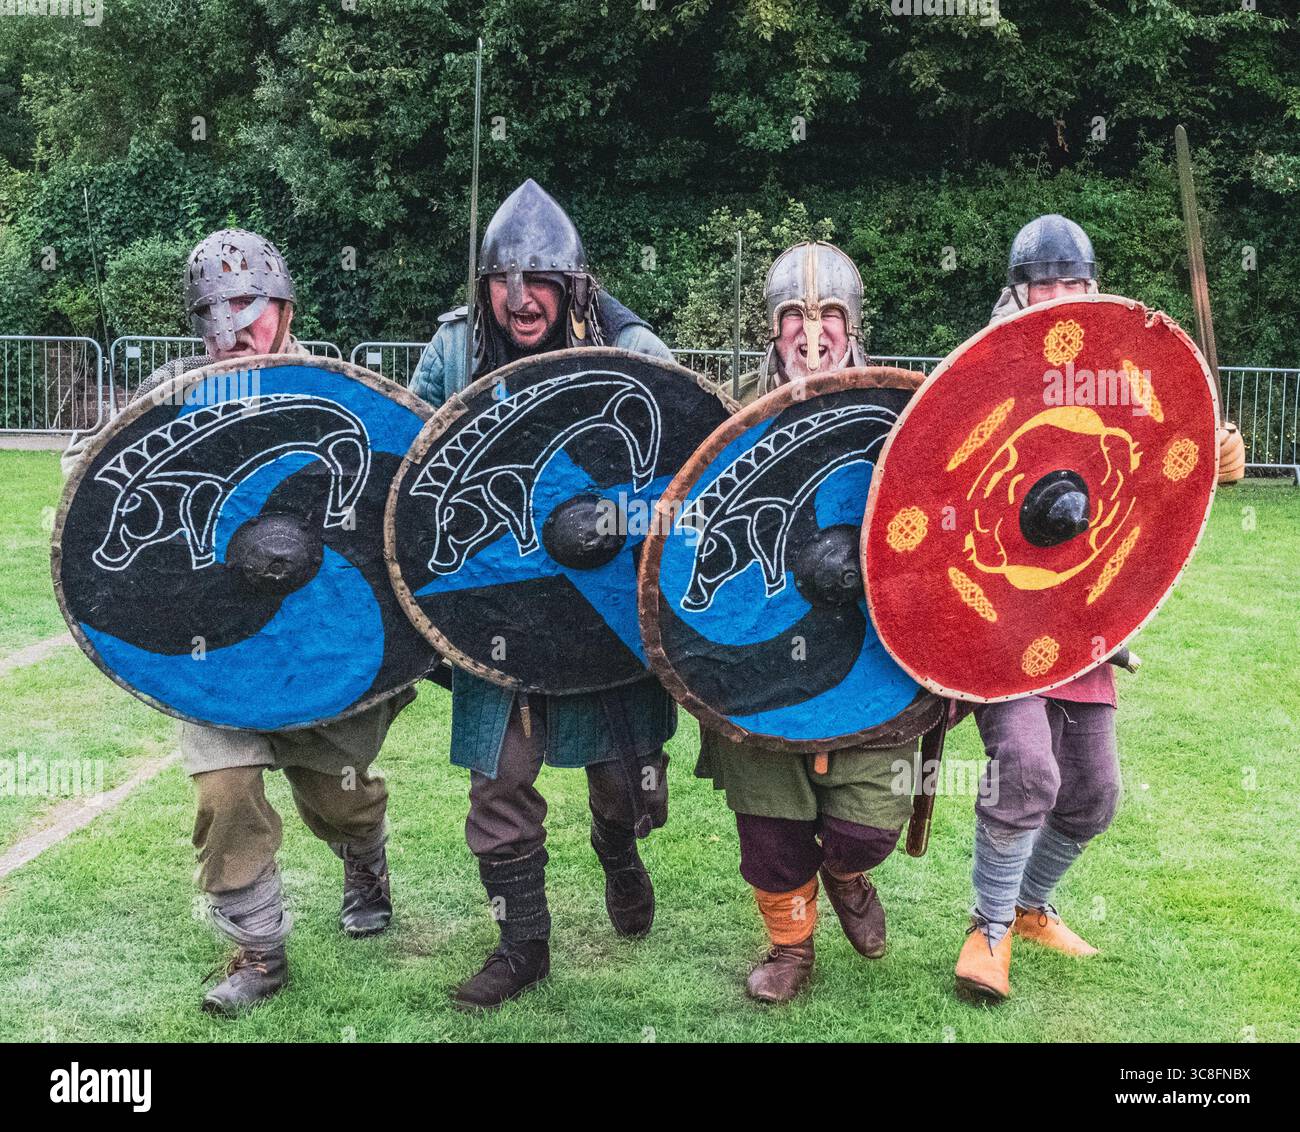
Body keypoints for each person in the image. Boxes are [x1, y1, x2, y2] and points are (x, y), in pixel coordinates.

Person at [66, 229, 413, 1016]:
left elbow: (407, 500)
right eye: (214, 311)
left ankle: (365, 859)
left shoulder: (336, 389)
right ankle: (259, 950)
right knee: (224, 789)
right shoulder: (173, 391)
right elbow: (88, 484)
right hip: (211, 649)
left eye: (248, 306)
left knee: (338, 797)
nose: (233, 326)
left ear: (283, 309)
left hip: (324, 643)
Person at [409, 179, 677, 1010]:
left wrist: (616, 515)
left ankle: (618, 848)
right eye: (502, 280)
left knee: (627, 785)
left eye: (538, 281)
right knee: (500, 783)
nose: (519, 299)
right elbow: (407, 477)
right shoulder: (455, 352)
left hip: (602, 608)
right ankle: (522, 944)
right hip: (497, 605)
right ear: (484, 284)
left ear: (573, 286)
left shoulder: (634, 352)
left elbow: (688, 481)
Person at [695, 241, 922, 1004]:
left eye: (829, 314)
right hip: (759, 663)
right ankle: (790, 947)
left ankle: (850, 872)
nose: (812, 331)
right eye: (796, 315)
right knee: (770, 833)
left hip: (874, 660)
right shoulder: (727, 428)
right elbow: (686, 540)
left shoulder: (906, 425)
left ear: (853, 326)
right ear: (773, 329)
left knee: (867, 827)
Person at [954, 215, 1121, 1003]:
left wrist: (1218, 455)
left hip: (1083, 613)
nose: (1057, 298)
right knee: (1026, 766)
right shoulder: (981, 373)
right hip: (999, 613)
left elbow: (1155, 480)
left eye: (1070, 283)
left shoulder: (1122, 374)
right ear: (1018, 291)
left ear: (1091, 288)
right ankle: (987, 929)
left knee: (1093, 793)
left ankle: (1028, 906)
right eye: (1042, 284)